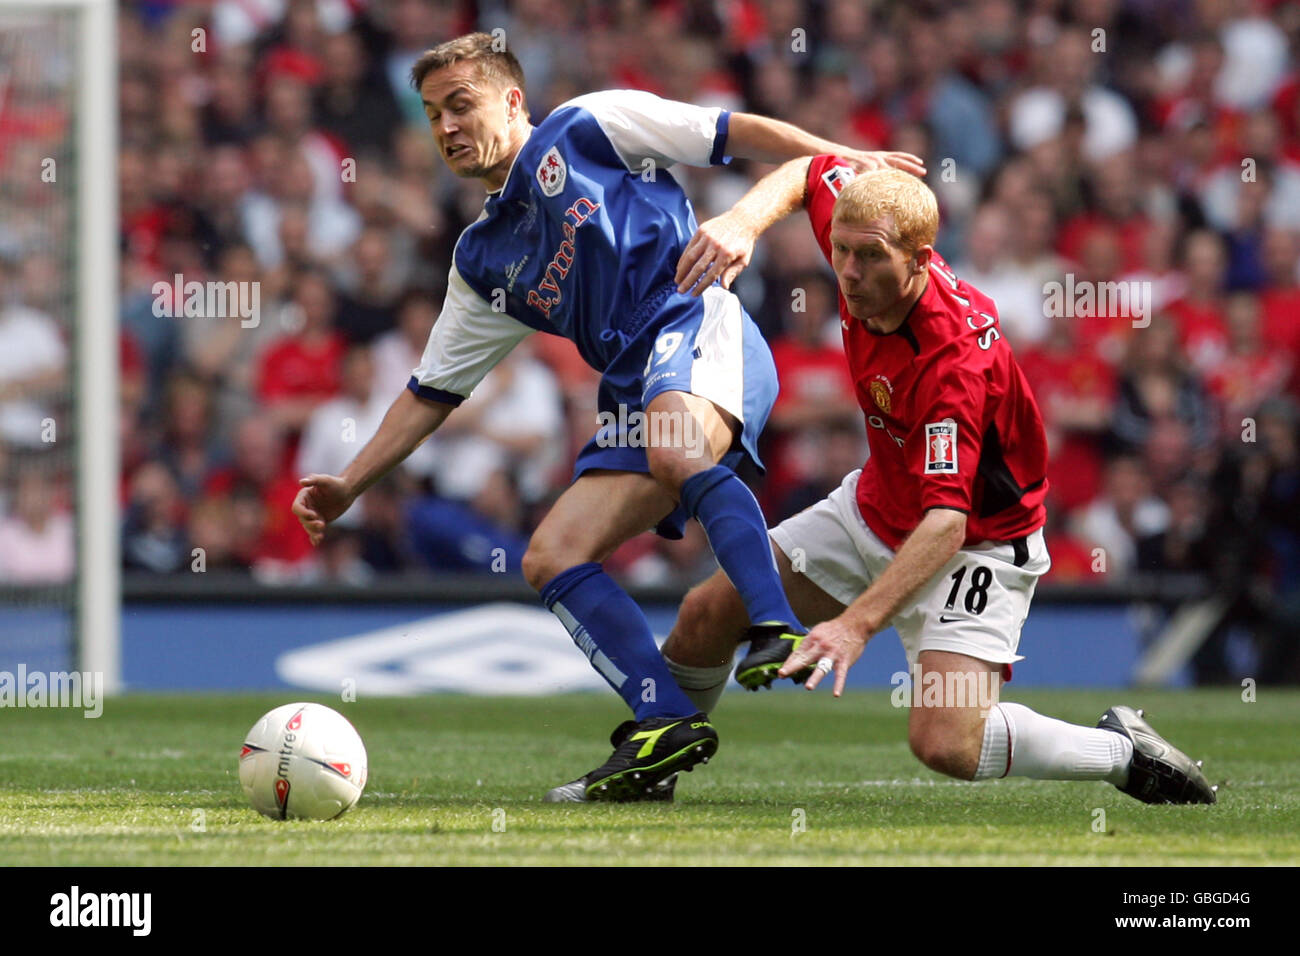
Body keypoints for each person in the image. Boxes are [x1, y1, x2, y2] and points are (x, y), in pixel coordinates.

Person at [291, 33, 924, 802]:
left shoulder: (590, 125)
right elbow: (430, 390)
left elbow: (730, 134)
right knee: (550, 554)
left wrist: (842, 159)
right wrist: (351, 484)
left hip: (697, 324)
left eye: (462, 105)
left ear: (513, 101)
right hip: (633, 389)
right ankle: (663, 718)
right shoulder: (484, 259)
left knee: (675, 444)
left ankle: (772, 627)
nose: (447, 128)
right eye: (432, 115)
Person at [662, 156, 1216, 805]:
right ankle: (656, 761)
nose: (847, 272)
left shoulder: (953, 363)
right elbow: (812, 170)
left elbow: (947, 523)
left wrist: (853, 627)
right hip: (874, 507)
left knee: (948, 744)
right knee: (707, 611)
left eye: (867, 257)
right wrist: (741, 222)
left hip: (976, 543)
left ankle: (1124, 753)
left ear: (921, 260)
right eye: (839, 250)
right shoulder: (864, 238)